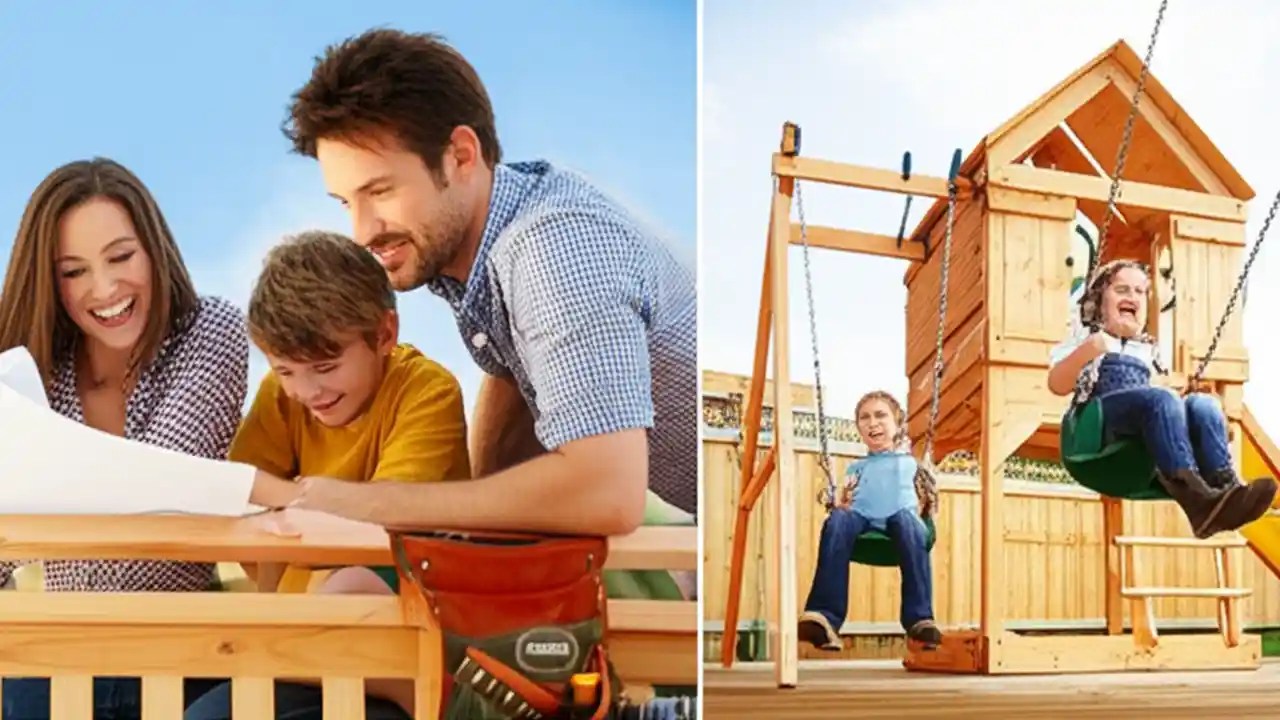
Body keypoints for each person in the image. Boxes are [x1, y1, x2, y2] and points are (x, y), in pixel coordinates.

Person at [272, 28, 697, 537]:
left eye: (380, 191)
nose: (362, 232)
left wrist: (366, 503)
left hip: (706, 542)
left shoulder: (553, 252)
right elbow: (512, 374)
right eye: (345, 202)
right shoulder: (480, 243)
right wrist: (477, 539)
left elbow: (606, 491)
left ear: (461, 155)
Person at [0, 157, 248, 719]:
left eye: (120, 257)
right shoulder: (33, 366)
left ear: (153, 248)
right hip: (56, 656)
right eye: (74, 271)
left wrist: (40, 482)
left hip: (179, 652)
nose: (105, 288)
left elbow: (158, 487)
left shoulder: (208, 332)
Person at [184, 230, 467, 720]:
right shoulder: (280, 396)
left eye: (325, 366)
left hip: (403, 630)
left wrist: (288, 503)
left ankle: (448, 703)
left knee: (351, 584)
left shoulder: (426, 392)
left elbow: (381, 515)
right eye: (286, 370)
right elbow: (243, 494)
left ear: (384, 335)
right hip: (299, 641)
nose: (308, 390)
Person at [1048, 259, 1277, 539]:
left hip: (1137, 435)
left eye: (1139, 292)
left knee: (1202, 405)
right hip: (1095, 433)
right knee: (1161, 399)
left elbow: (1162, 407)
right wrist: (1089, 351)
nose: (1132, 297)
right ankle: (1193, 495)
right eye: (1121, 290)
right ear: (1099, 301)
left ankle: (1224, 489)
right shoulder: (1086, 338)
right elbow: (1057, 383)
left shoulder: (1149, 351)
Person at [797, 391, 943, 652]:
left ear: (898, 424)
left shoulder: (912, 463)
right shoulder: (856, 467)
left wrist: (927, 509)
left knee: (907, 523)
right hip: (862, 522)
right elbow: (847, 499)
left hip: (901, 524)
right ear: (859, 429)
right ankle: (823, 617)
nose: (872, 422)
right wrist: (839, 504)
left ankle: (919, 618)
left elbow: (926, 500)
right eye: (864, 417)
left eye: (880, 415)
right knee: (839, 519)